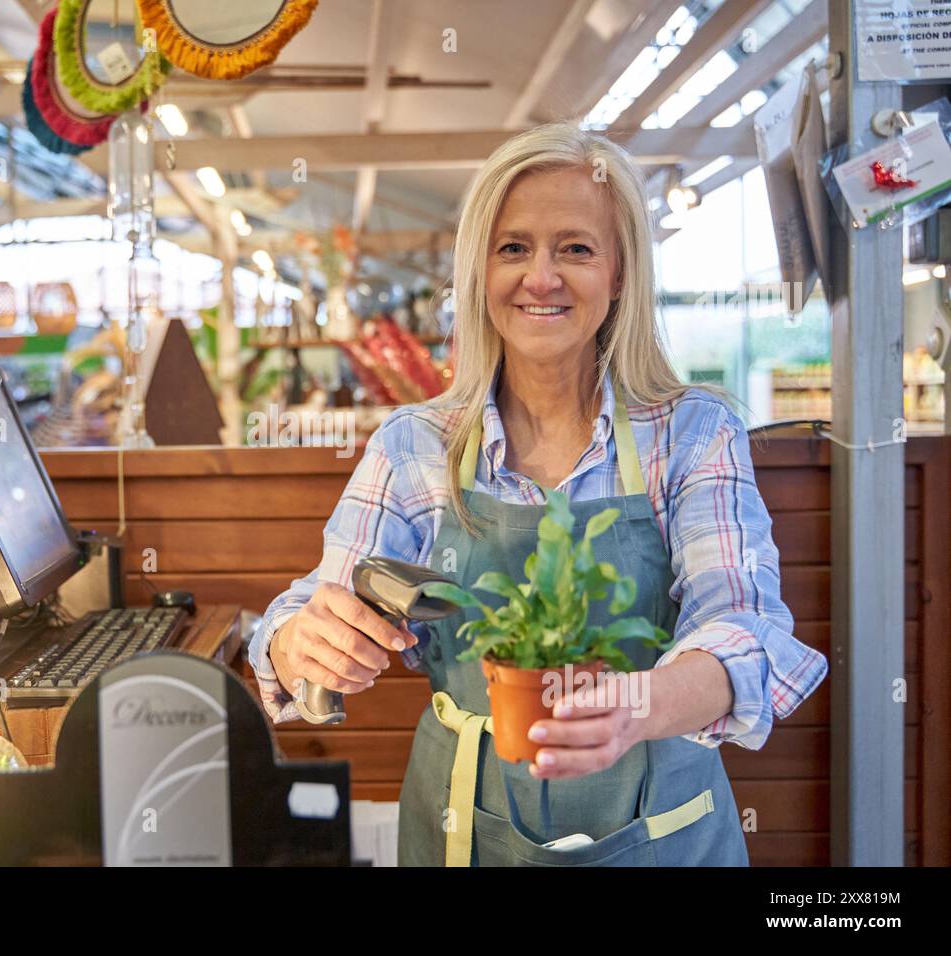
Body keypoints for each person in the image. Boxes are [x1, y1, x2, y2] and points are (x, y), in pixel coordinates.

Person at [248, 123, 828, 866]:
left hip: (663, 830)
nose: (541, 277)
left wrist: (636, 707)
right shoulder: (418, 444)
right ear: (479, 271)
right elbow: (307, 615)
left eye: (576, 249)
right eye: (513, 248)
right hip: (464, 829)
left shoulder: (690, 433)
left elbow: (745, 629)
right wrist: (306, 643)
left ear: (620, 274)